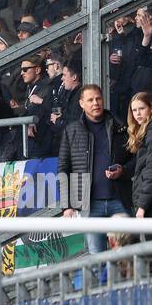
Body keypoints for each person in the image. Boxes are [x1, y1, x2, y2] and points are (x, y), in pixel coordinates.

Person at [59, 83, 132, 253]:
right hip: (89, 205)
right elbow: (63, 168)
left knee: (127, 254)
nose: (95, 103)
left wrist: (124, 171)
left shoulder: (119, 126)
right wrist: (66, 206)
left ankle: (123, 281)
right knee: (96, 256)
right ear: (81, 104)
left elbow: (135, 159)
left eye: (98, 98)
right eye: (90, 100)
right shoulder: (71, 131)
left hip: (120, 200)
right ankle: (102, 281)